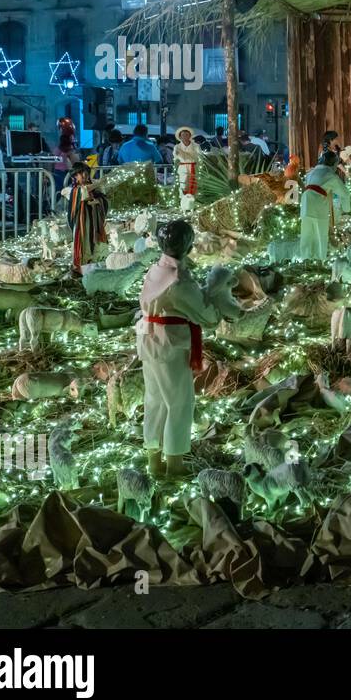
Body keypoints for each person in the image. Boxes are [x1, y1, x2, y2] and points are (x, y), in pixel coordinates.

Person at [136, 219, 229, 478]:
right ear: (188, 247)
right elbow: (206, 315)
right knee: (179, 403)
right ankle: (175, 465)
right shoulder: (179, 281)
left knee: (155, 401)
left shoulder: (156, 270)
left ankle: (154, 462)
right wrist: (215, 292)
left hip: (149, 341)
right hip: (170, 345)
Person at [298, 151, 350, 260]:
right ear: (333, 164)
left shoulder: (311, 172)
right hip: (317, 204)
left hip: (306, 202)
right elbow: (345, 194)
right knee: (320, 234)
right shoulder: (330, 175)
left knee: (306, 234)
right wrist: (346, 210)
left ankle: (305, 260)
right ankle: (319, 260)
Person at [66, 161, 108, 276]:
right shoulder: (74, 190)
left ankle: (93, 270)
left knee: (95, 246)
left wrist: (98, 202)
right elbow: (83, 192)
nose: (84, 175)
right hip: (82, 224)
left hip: (94, 222)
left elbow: (104, 199)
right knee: (84, 246)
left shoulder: (94, 187)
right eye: (81, 173)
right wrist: (99, 183)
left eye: (86, 172)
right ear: (75, 176)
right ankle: (80, 270)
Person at [173, 127, 201, 198]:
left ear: (190, 136)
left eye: (187, 135)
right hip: (183, 167)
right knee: (183, 184)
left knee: (194, 184)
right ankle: (183, 201)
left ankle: (193, 201)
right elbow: (176, 156)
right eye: (183, 135)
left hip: (194, 166)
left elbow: (200, 156)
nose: (185, 136)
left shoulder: (196, 146)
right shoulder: (177, 147)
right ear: (180, 137)